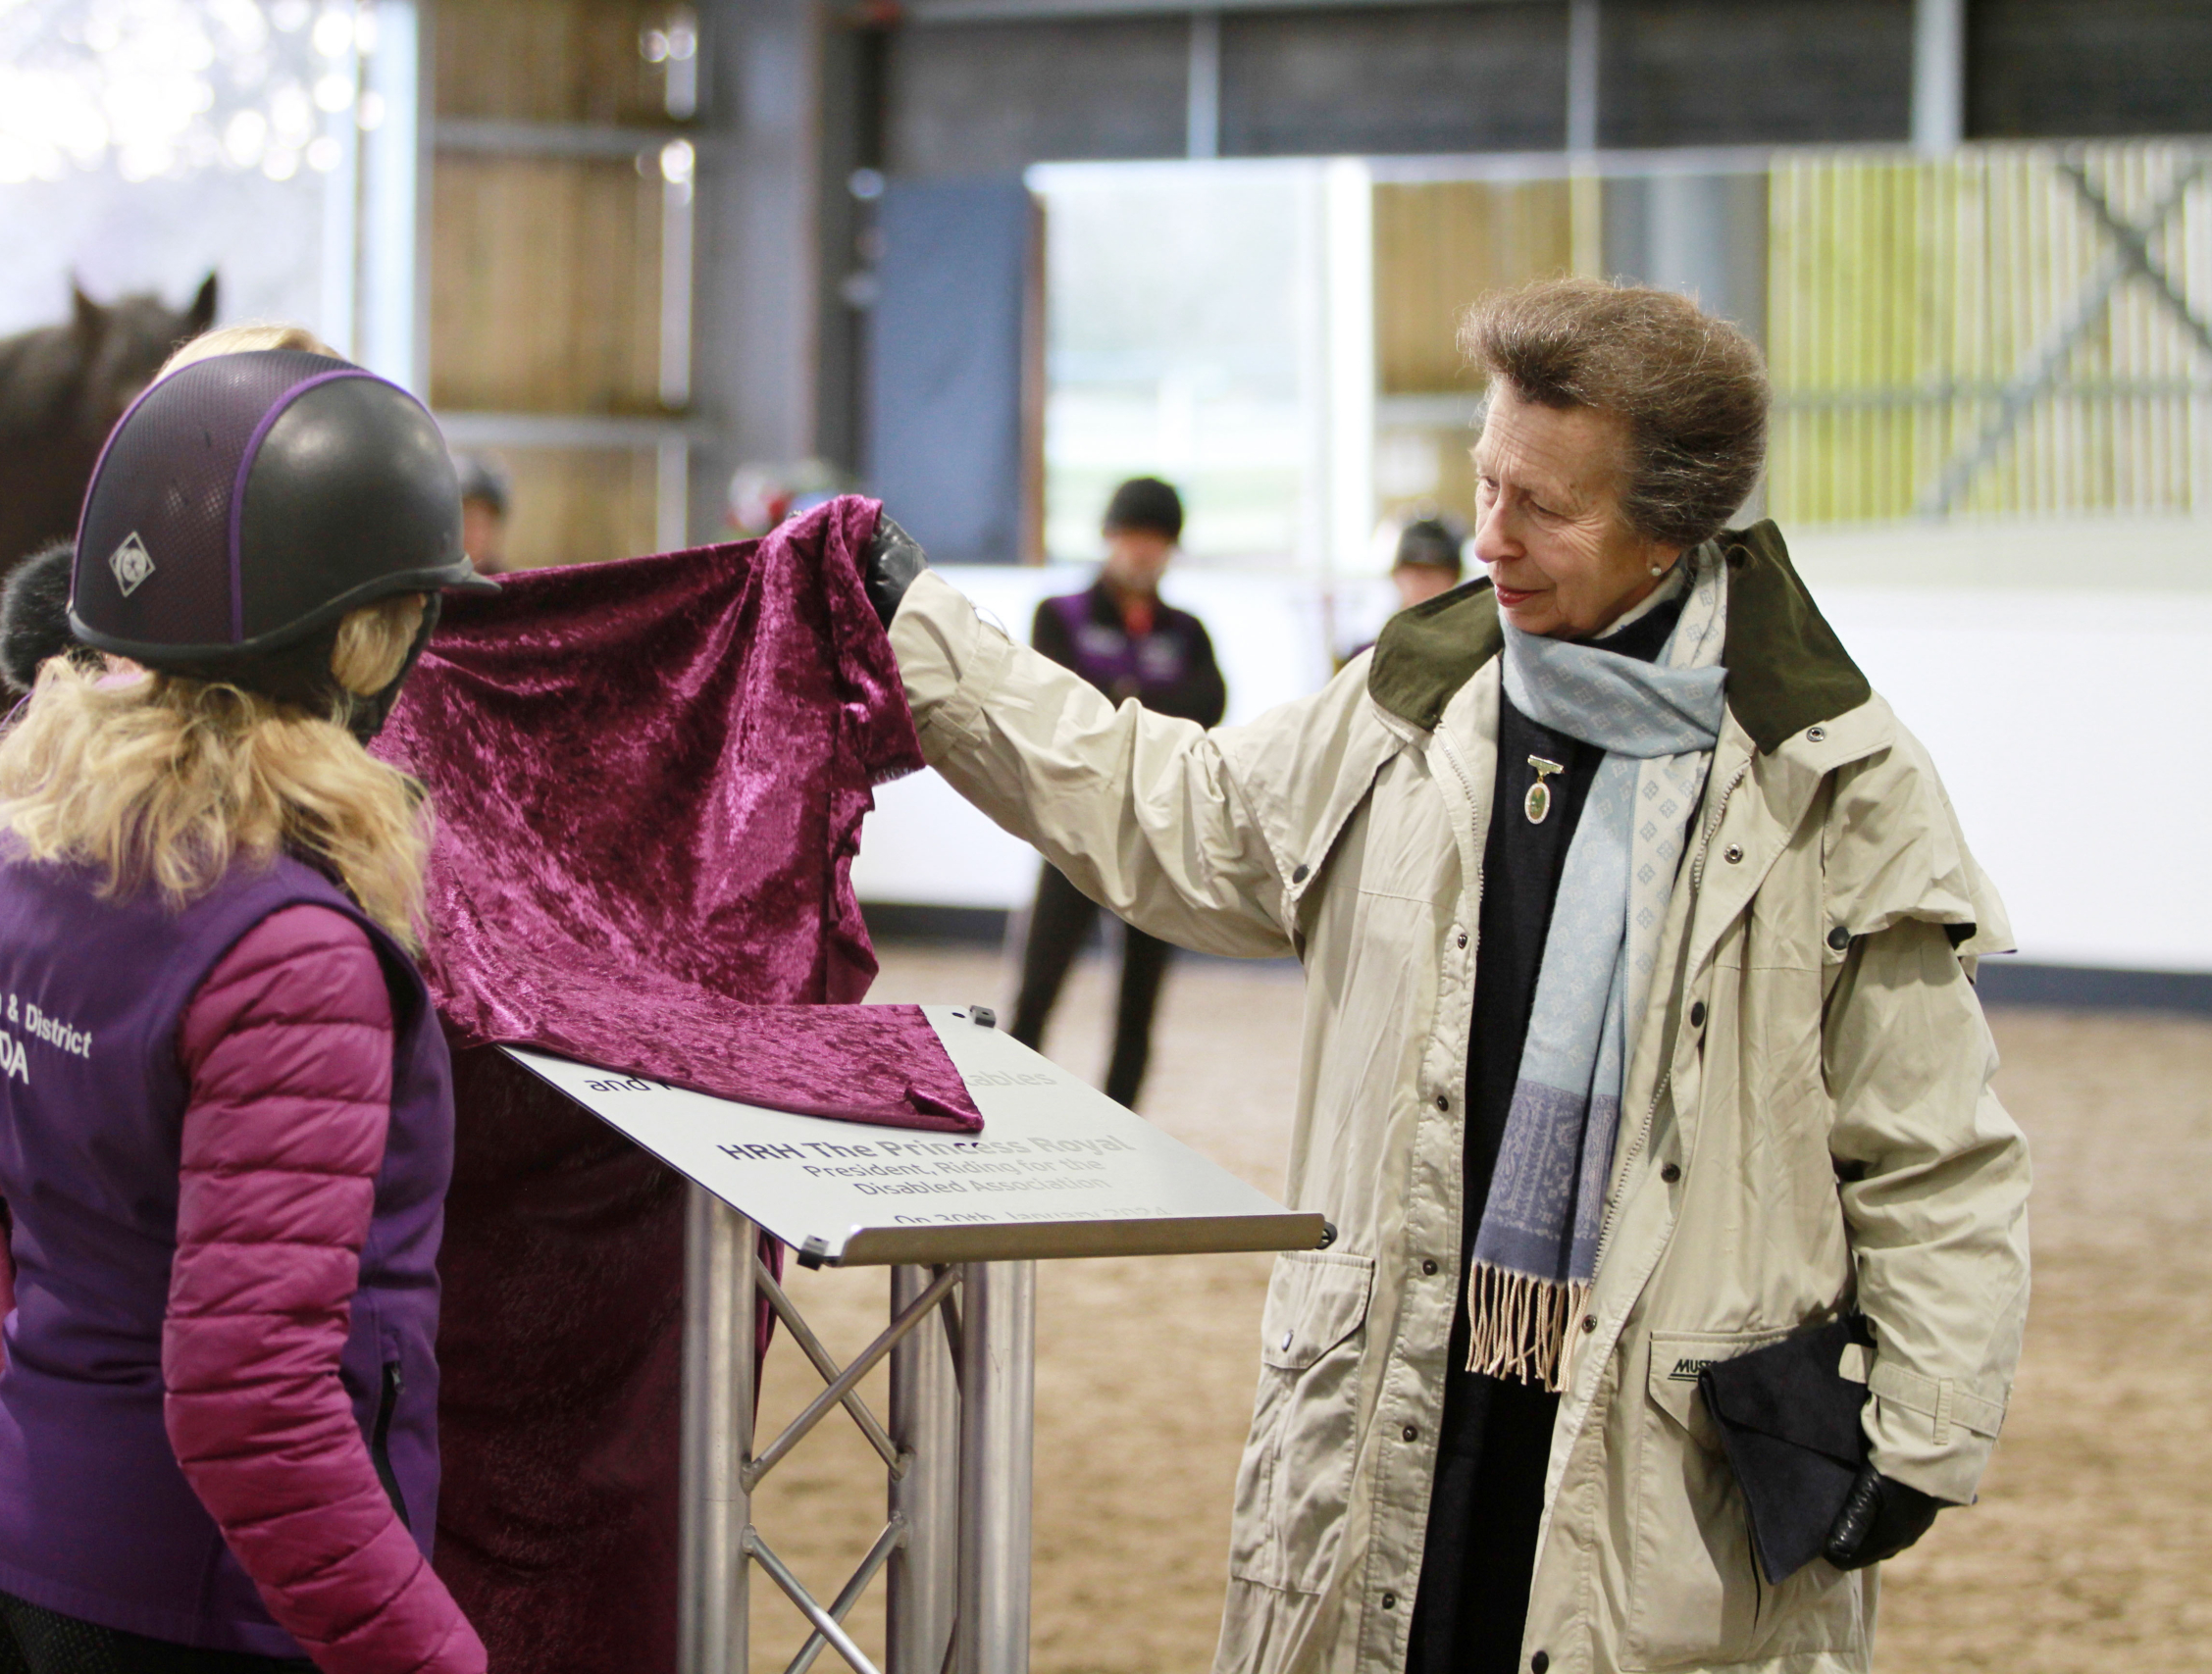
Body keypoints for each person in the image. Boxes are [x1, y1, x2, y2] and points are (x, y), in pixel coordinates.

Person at [863, 278, 2029, 1674]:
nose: (1490, 535)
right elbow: (1162, 804)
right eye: (1487, 481)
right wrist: (919, 627)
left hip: (1671, 1490)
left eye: (1545, 504)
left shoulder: (1833, 778)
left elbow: (1935, 1152)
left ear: (1671, 529)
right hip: (1392, 1427)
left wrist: (1918, 1434)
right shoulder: (1411, 700)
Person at [0, 341, 494, 1674]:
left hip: (20, 1539)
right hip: (197, 1597)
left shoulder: (21, 846)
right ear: (364, 633)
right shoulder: (285, 948)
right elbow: (250, 1395)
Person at [1009, 476, 1223, 1107]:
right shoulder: (1061, 615)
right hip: (1071, 829)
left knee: (1139, 1006)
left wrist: (1120, 702)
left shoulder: (1188, 632)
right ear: (1109, 538)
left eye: (1155, 539)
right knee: (1036, 992)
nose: (1141, 551)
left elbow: (1209, 703)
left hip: (1153, 835)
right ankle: (1006, 1118)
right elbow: (1058, 703)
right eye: (1131, 536)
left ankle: (1120, 1126)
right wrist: (1149, 707)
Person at [1390, 514, 1466, 609]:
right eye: (1415, 570)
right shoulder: (1377, 622)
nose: (1423, 582)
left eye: (1434, 571)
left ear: (1453, 577)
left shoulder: (1471, 622)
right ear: (1396, 576)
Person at [455, 454, 511, 576]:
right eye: (462, 518)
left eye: (479, 521)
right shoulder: (422, 588)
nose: (469, 532)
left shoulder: (510, 587)